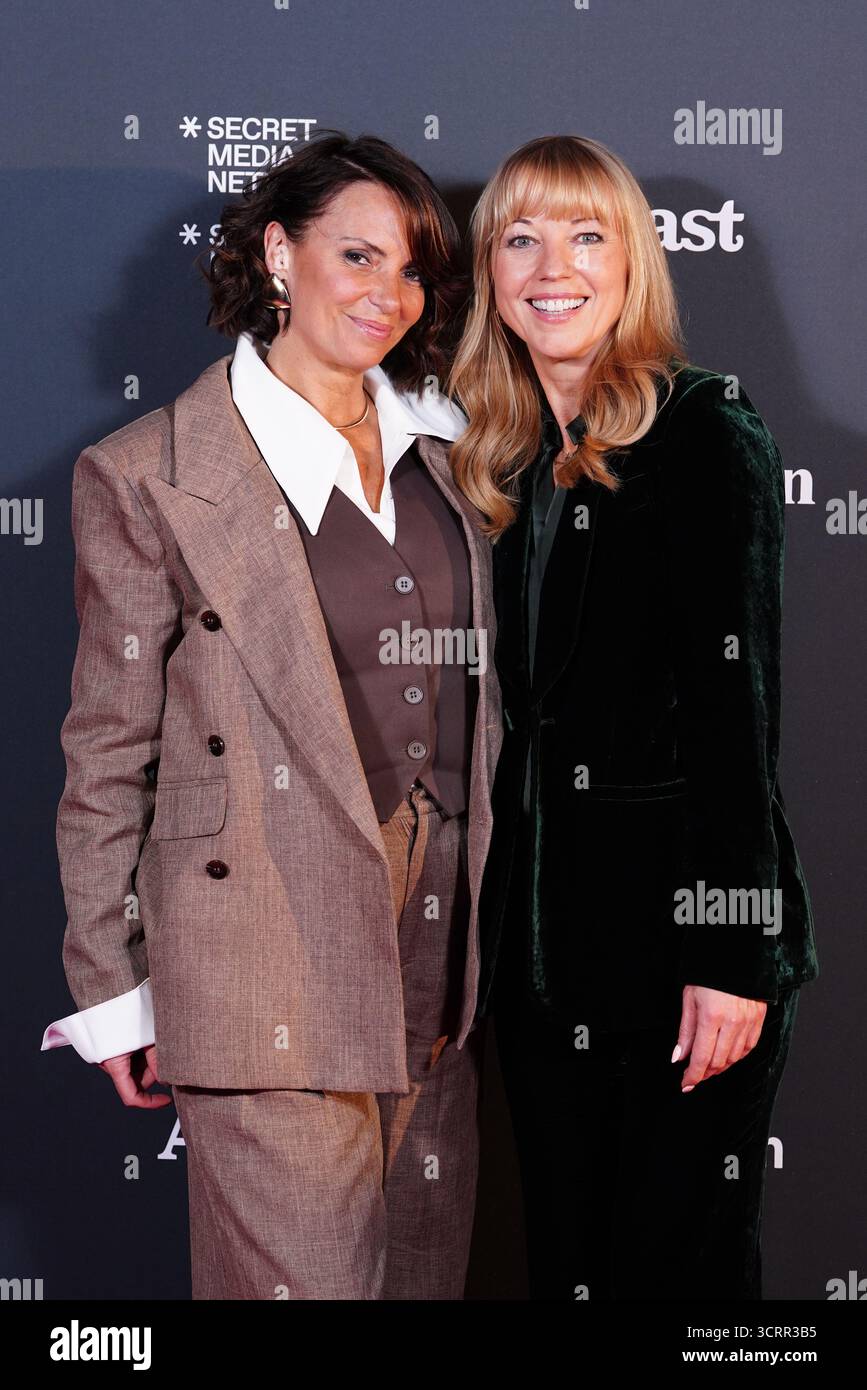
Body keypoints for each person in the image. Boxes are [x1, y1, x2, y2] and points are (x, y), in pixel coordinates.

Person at [41, 131, 502, 1300]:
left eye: (411, 273)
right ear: (277, 252)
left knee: (422, 1283)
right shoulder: (147, 472)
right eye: (357, 256)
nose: (387, 296)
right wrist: (111, 982)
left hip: (437, 965)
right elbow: (108, 747)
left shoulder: (440, 455)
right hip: (261, 959)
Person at [447, 133, 819, 1300]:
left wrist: (731, 952)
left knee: (685, 1282)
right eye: (520, 237)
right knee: (568, 1266)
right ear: (492, 273)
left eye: (586, 233)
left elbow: (736, 708)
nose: (551, 265)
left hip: (683, 952)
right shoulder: (495, 461)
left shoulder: (705, 429)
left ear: (632, 264)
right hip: (547, 964)